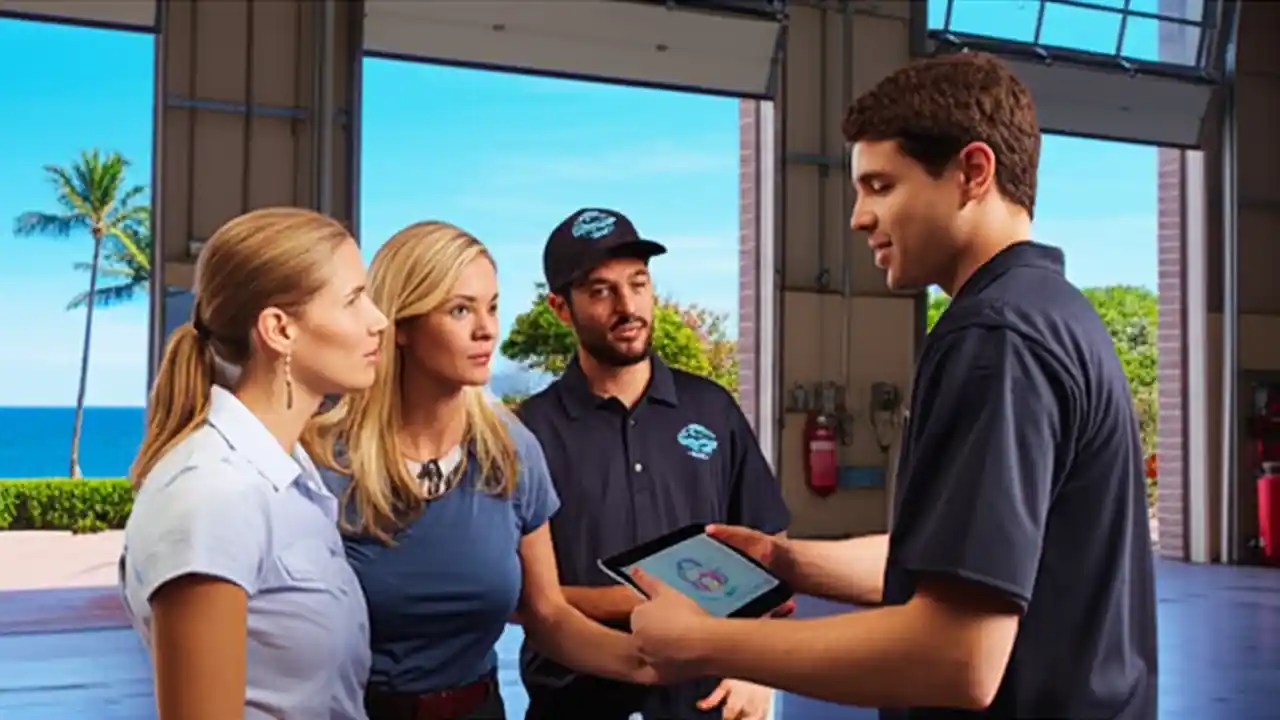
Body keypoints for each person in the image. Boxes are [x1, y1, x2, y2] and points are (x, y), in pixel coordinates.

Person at [624, 51, 1159, 720]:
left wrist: (707, 643)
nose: (857, 217)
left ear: (972, 172)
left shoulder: (996, 341)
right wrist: (785, 561)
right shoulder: (1054, 313)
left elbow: (957, 658)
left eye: (881, 186)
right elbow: (963, 564)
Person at [305, 220, 664, 720]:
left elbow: (547, 616)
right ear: (401, 326)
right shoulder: (322, 461)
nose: (487, 329)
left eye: (492, 307)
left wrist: (653, 662)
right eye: (460, 309)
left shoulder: (510, 449)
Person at [514, 208, 792, 720]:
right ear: (560, 308)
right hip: (573, 703)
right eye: (600, 291)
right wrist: (638, 606)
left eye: (638, 284)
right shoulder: (529, 433)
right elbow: (519, 597)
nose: (627, 305)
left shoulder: (712, 409)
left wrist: (756, 668)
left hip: (710, 701)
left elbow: (770, 552)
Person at [118, 207, 389, 719]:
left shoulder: (291, 473)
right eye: (354, 300)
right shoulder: (213, 494)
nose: (378, 320)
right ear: (279, 329)